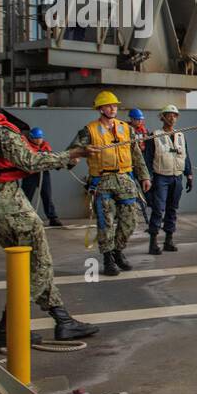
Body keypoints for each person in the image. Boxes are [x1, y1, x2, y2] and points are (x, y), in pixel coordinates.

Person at [0, 81, 99, 346]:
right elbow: (31, 161)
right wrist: (71, 154)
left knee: (28, 265)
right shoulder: (0, 132)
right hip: (12, 207)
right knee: (39, 266)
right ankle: (8, 326)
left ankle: (63, 320)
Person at [68, 90, 150, 277]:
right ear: (100, 109)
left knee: (130, 220)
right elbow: (72, 151)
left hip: (125, 179)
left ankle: (118, 250)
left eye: (115, 106)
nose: (113, 108)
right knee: (106, 223)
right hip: (102, 181)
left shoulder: (126, 129)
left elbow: (136, 154)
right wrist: (76, 157)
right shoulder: (89, 130)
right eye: (109, 106)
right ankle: (107, 258)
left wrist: (144, 176)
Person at [144, 104, 191, 255]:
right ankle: (153, 243)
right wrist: (148, 178)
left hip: (177, 177)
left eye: (174, 115)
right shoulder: (154, 136)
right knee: (158, 209)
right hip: (160, 177)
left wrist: (189, 175)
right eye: (169, 115)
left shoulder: (180, 136)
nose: (172, 117)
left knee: (172, 209)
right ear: (162, 117)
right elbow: (148, 158)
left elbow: (186, 156)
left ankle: (168, 240)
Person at [20, 127, 61, 226]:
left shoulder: (45, 146)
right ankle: (24, 218)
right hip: (30, 174)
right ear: (30, 138)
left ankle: (53, 218)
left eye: (40, 138)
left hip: (44, 173)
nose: (38, 140)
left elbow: (52, 158)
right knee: (26, 197)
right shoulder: (25, 146)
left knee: (47, 196)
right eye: (36, 138)